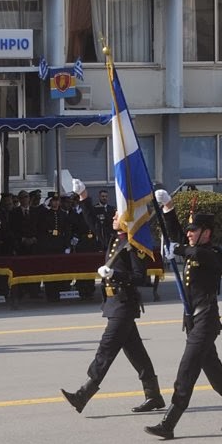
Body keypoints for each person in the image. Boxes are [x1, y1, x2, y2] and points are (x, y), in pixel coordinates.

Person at [144, 194, 222, 439]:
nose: (190, 234)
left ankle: (169, 423)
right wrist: (168, 208)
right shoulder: (193, 248)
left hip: (206, 320)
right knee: (215, 373)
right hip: (194, 321)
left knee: (187, 370)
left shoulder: (213, 253)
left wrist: (180, 248)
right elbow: (177, 237)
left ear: (207, 232)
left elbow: (196, 253)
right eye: (190, 230)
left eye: (195, 231)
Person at [61, 178, 166, 415]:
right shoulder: (115, 239)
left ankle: (83, 394)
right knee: (136, 352)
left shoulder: (133, 245)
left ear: (127, 221)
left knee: (106, 349)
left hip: (125, 304)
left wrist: (115, 274)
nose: (112, 218)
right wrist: (84, 197)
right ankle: (154, 396)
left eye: (116, 215)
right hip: (114, 303)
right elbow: (92, 224)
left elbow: (141, 277)